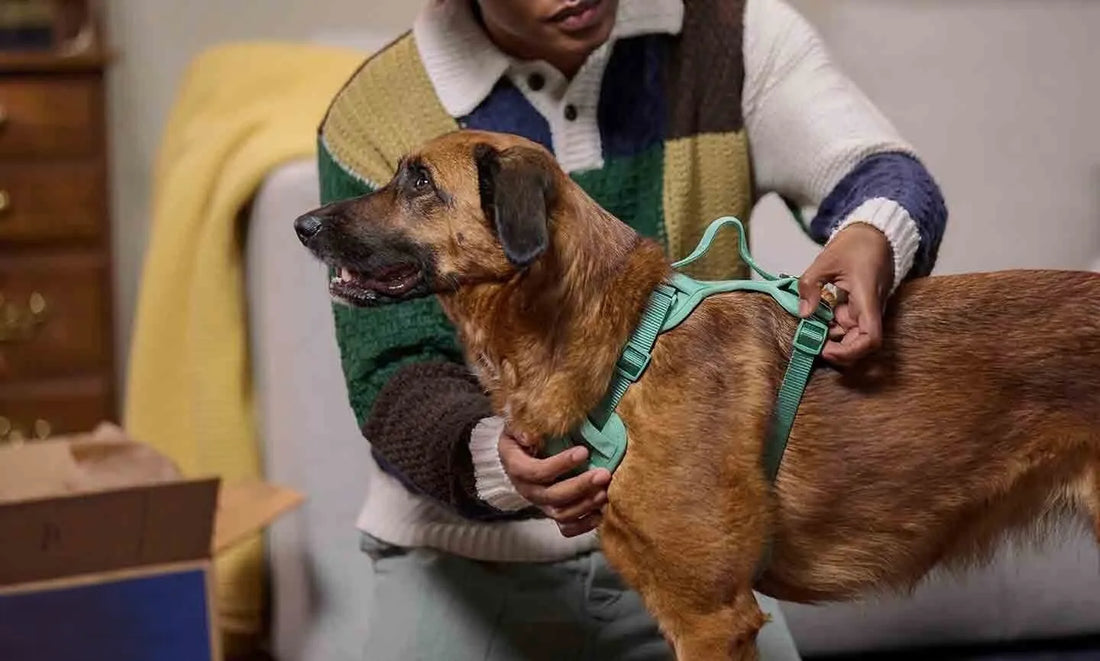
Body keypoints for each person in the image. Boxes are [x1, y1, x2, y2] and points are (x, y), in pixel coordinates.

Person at [314, 0, 947, 658]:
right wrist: (493, 458)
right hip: (465, 559)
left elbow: (882, 173)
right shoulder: (378, 109)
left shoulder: (734, 36)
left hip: (687, 538)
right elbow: (393, 372)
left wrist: (875, 233)